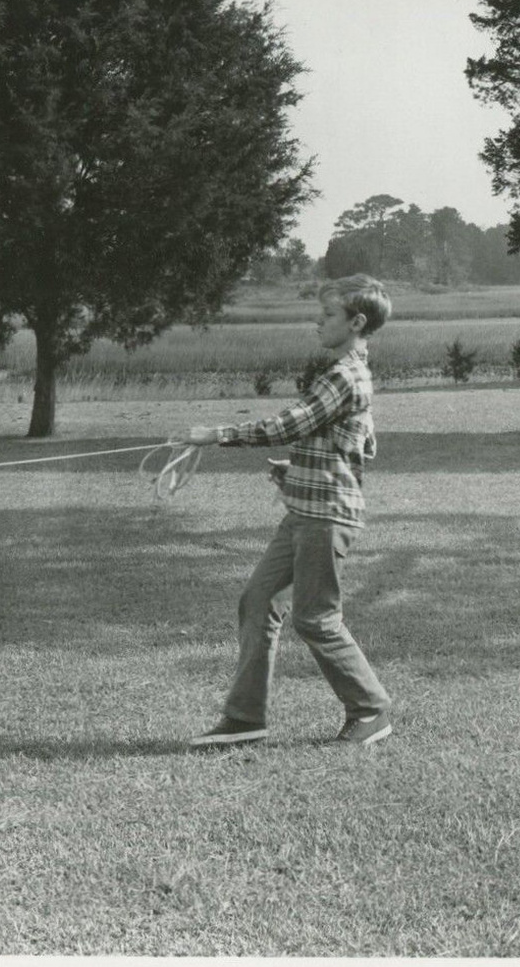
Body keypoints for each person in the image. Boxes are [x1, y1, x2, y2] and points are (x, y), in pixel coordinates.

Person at [178, 274, 392, 749]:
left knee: (316, 619)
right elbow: (353, 446)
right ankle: (245, 719)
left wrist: (217, 434)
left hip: (325, 517)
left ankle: (371, 710)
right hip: (305, 511)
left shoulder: (344, 376)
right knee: (258, 601)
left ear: (356, 322)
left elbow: (289, 425)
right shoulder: (349, 374)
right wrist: (297, 470)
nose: (319, 321)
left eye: (329, 314)